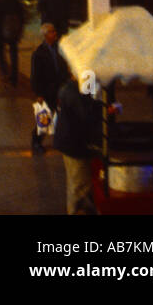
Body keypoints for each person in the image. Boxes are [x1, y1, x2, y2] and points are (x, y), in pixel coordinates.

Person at [53, 74, 103, 214]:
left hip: (75, 144)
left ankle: (78, 209)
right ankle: (75, 211)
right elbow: (87, 115)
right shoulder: (73, 92)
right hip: (73, 146)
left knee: (77, 184)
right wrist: (106, 110)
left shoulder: (78, 88)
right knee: (80, 185)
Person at [30, 23, 69, 152]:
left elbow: (63, 67)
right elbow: (36, 75)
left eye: (54, 31)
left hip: (61, 88)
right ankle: (36, 141)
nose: (55, 34)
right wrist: (39, 93)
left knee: (63, 115)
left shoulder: (59, 48)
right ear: (45, 35)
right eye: (51, 32)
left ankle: (63, 140)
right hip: (48, 90)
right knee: (45, 116)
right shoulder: (39, 53)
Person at [0, 0, 24, 87]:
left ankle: (4, 72)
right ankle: (14, 77)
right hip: (14, 32)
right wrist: (20, 31)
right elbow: (22, 16)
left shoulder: (0, 1)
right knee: (14, 54)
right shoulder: (16, 1)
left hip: (2, 32)